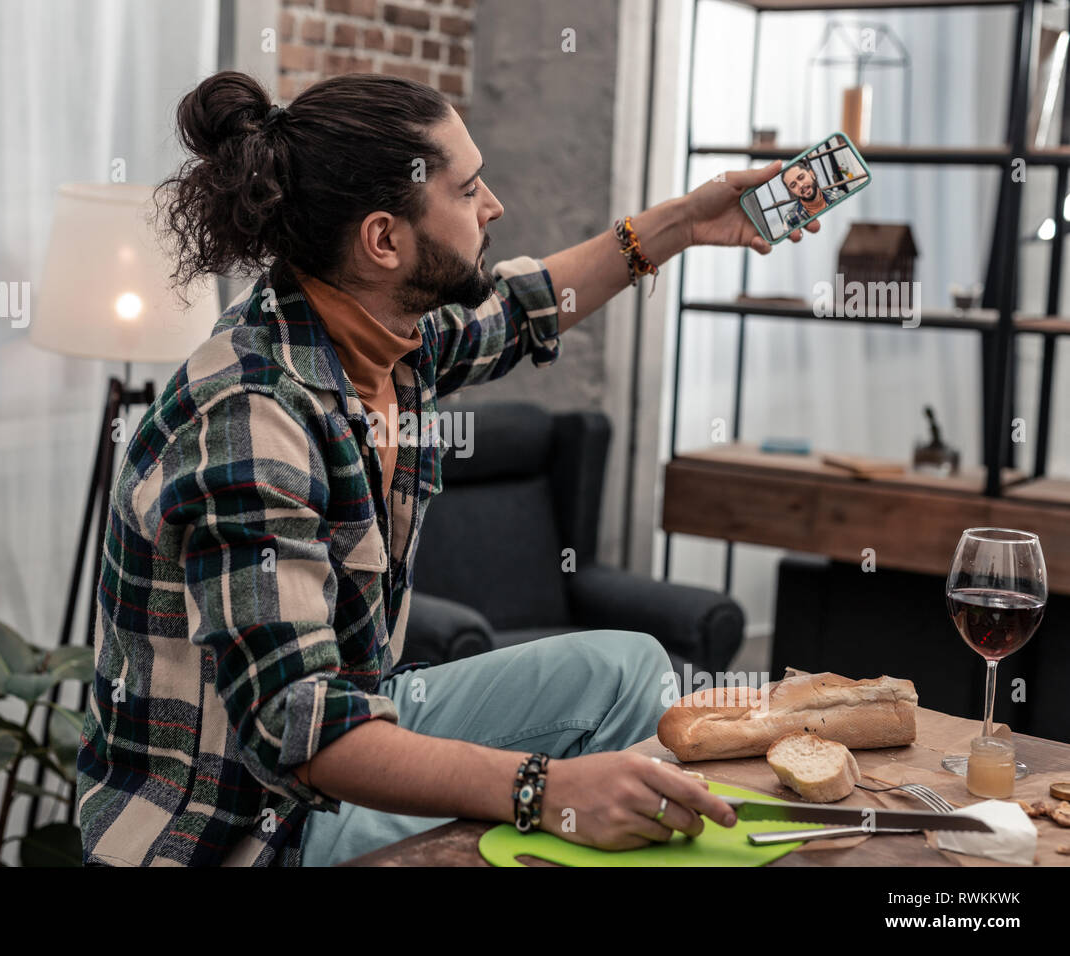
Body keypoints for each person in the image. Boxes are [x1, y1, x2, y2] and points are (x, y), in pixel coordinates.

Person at [75, 70, 818, 867]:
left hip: (354, 729)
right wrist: (544, 789)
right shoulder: (247, 421)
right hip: (244, 829)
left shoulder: (390, 338)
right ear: (385, 240)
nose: (493, 206)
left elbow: (524, 307)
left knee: (629, 665)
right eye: (468, 191)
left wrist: (683, 222)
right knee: (532, 814)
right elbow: (301, 728)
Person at [781, 158, 845, 231]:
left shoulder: (840, 196)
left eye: (801, 177)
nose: (800, 185)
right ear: (791, 192)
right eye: (793, 185)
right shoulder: (790, 220)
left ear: (812, 174)